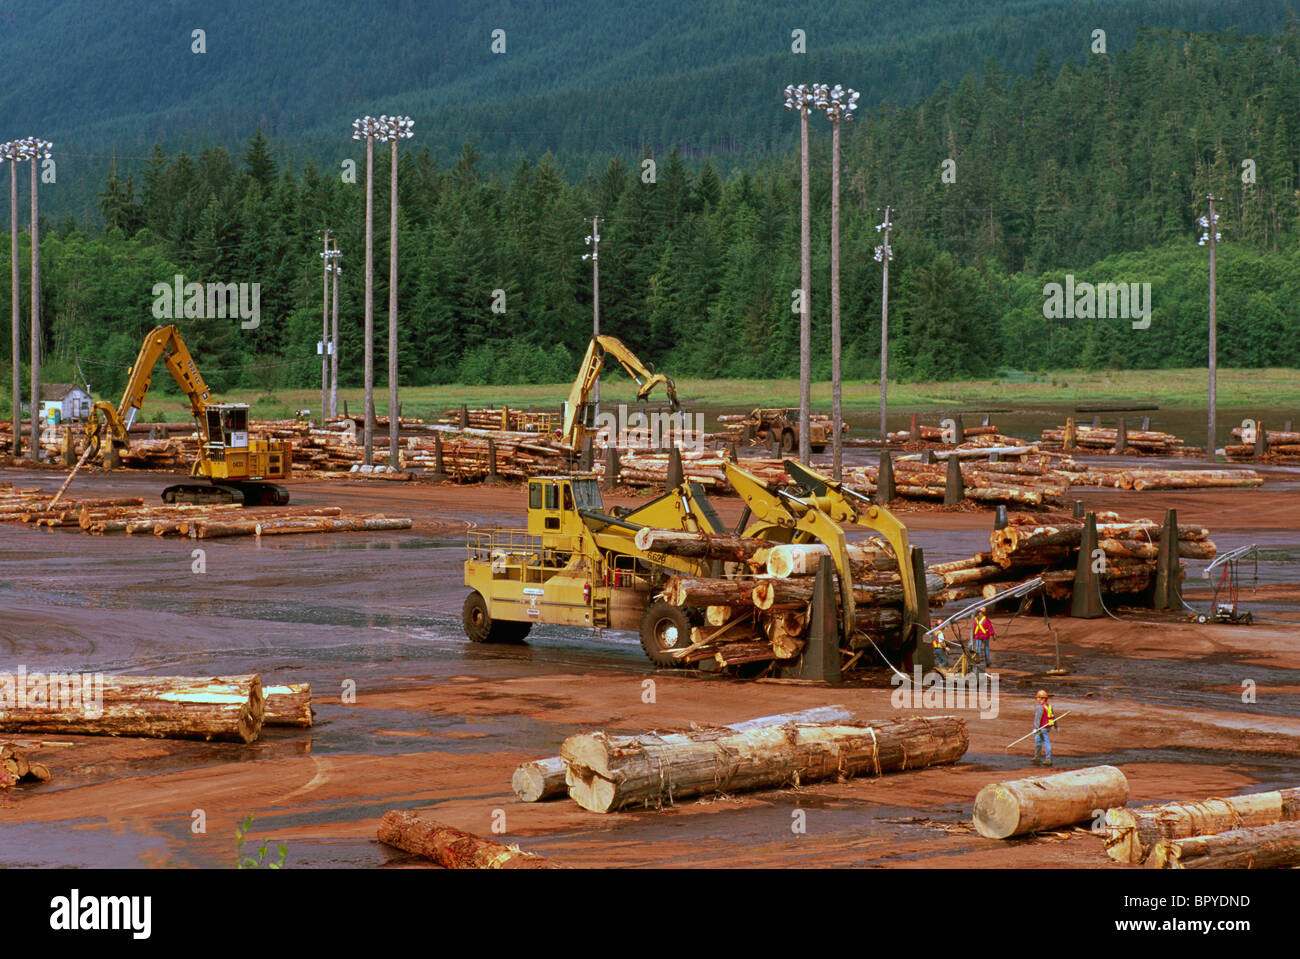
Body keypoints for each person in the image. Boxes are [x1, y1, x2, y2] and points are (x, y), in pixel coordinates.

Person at [1033, 689, 1058, 766]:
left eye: (1038, 697)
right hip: (1047, 727)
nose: (1037, 699)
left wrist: (1036, 728)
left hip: (1041, 728)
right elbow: (1054, 717)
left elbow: (1037, 719)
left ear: (1042, 698)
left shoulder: (1040, 707)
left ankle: (1048, 759)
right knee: (1038, 741)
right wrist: (1056, 726)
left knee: (1045, 742)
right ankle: (1037, 757)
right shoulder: (1049, 706)